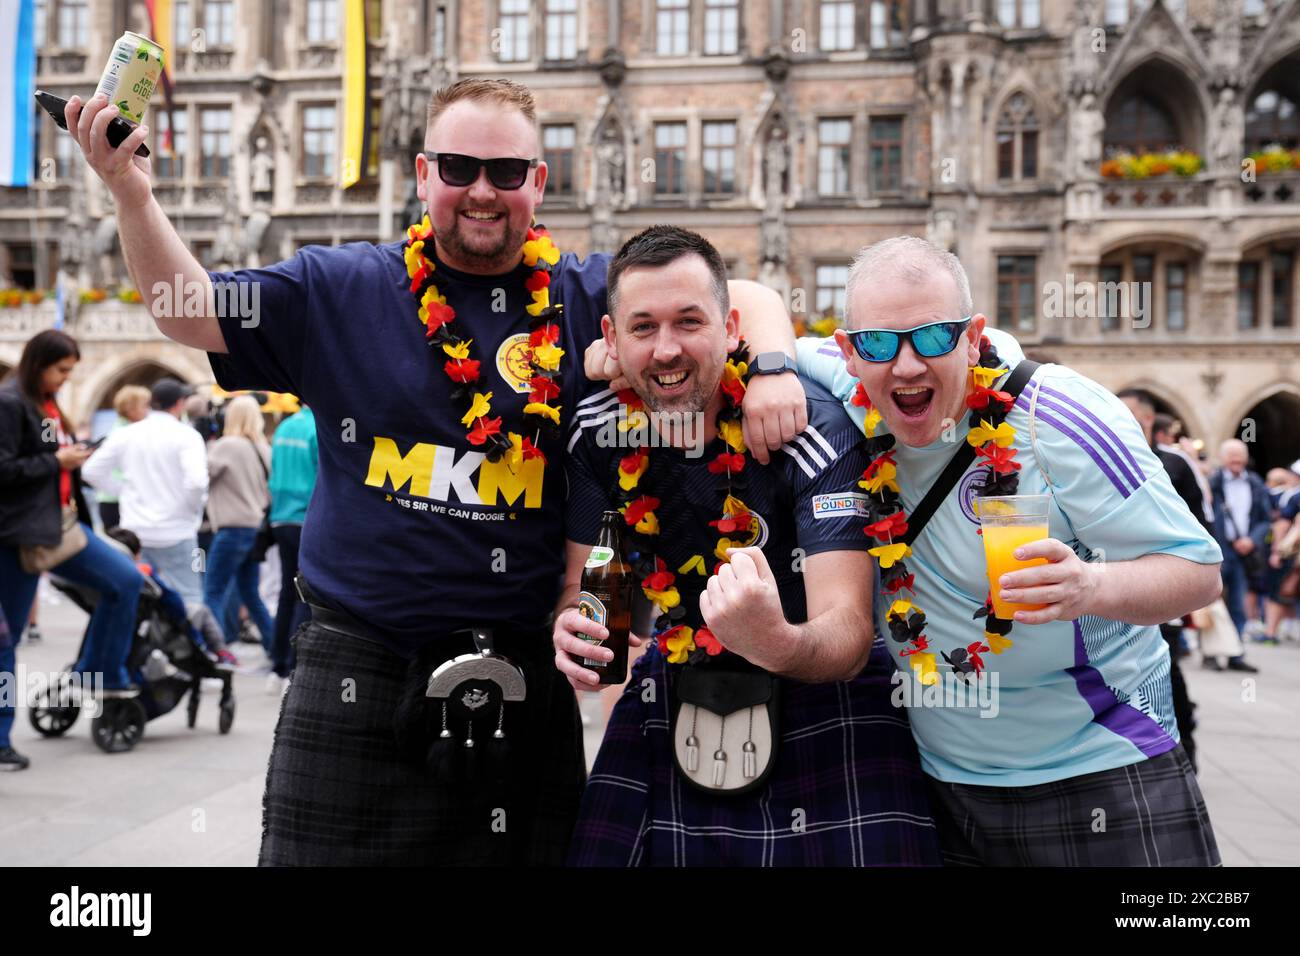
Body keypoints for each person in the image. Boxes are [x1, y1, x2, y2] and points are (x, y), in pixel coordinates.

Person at [62, 77, 805, 864]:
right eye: (458, 168)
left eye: (507, 173)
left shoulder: (590, 295)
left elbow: (746, 293)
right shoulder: (339, 287)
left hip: (526, 679)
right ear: (424, 177)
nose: (482, 191)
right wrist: (130, 194)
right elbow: (188, 308)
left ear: (538, 185)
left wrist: (776, 368)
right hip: (361, 670)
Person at [796, 236, 1223, 865]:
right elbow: (744, 315)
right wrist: (772, 372)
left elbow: (1199, 573)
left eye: (935, 337)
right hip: (944, 785)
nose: (907, 365)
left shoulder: (1060, 414)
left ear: (973, 336)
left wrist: (1091, 587)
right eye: (880, 343)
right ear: (849, 353)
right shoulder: (853, 386)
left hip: (1103, 768)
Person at [555, 226, 941, 865]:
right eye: (643, 327)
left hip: (828, 695)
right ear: (612, 338)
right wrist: (577, 627)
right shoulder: (596, 436)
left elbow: (845, 632)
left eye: (690, 321)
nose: (666, 349)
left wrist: (773, 638)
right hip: (678, 681)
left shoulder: (808, 428)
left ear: (732, 327)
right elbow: (593, 584)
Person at [0, 330, 146, 770]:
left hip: (61, 525)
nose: (66, 379)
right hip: (19, 536)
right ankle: (1, 738)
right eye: (61, 370)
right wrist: (55, 462)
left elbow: (46, 453)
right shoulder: (9, 403)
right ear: (38, 363)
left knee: (126, 580)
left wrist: (71, 456)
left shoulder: (44, 404)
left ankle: (98, 673)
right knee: (6, 641)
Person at [1117, 395, 1202, 773]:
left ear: (1148, 420)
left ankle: (1184, 751)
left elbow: (1201, 525)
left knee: (1167, 665)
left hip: (1161, 582)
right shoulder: (1103, 453)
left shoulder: (1174, 463)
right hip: (1115, 585)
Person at [81, 378, 210, 609]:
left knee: (136, 597)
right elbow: (197, 482)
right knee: (190, 595)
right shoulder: (188, 435)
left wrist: (123, 491)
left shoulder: (126, 434)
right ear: (180, 404)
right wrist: (189, 510)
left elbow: (90, 471)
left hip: (135, 531)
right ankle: (192, 644)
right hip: (178, 533)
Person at [203, 395, 276, 661]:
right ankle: (274, 648)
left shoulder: (227, 446)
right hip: (255, 529)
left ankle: (216, 651)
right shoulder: (263, 448)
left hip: (231, 529)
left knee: (212, 591)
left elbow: (200, 477)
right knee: (250, 594)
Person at [267, 402, 318, 690]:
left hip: (280, 517)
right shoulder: (317, 427)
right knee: (303, 594)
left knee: (287, 591)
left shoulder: (285, 427)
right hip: (305, 517)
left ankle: (276, 665)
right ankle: (291, 666)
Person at [1207, 439, 1268, 671]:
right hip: (1219, 550)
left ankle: (1235, 653)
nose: (1236, 460)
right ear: (1222, 458)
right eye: (1231, 455)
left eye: (1239, 455)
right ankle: (1211, 652)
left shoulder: (1255, 483)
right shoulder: (1213, 483)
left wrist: (1252, 540)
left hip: (1244, 552)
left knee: (1238, 604)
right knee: (1211, 601)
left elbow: (1264, 519)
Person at [95, 384, 151, 532]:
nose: (148, 411)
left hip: (114, 500)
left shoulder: (122, 429)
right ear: (131, 409)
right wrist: (124, 489)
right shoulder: (124, 433)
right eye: (144, 406)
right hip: (116, 501)